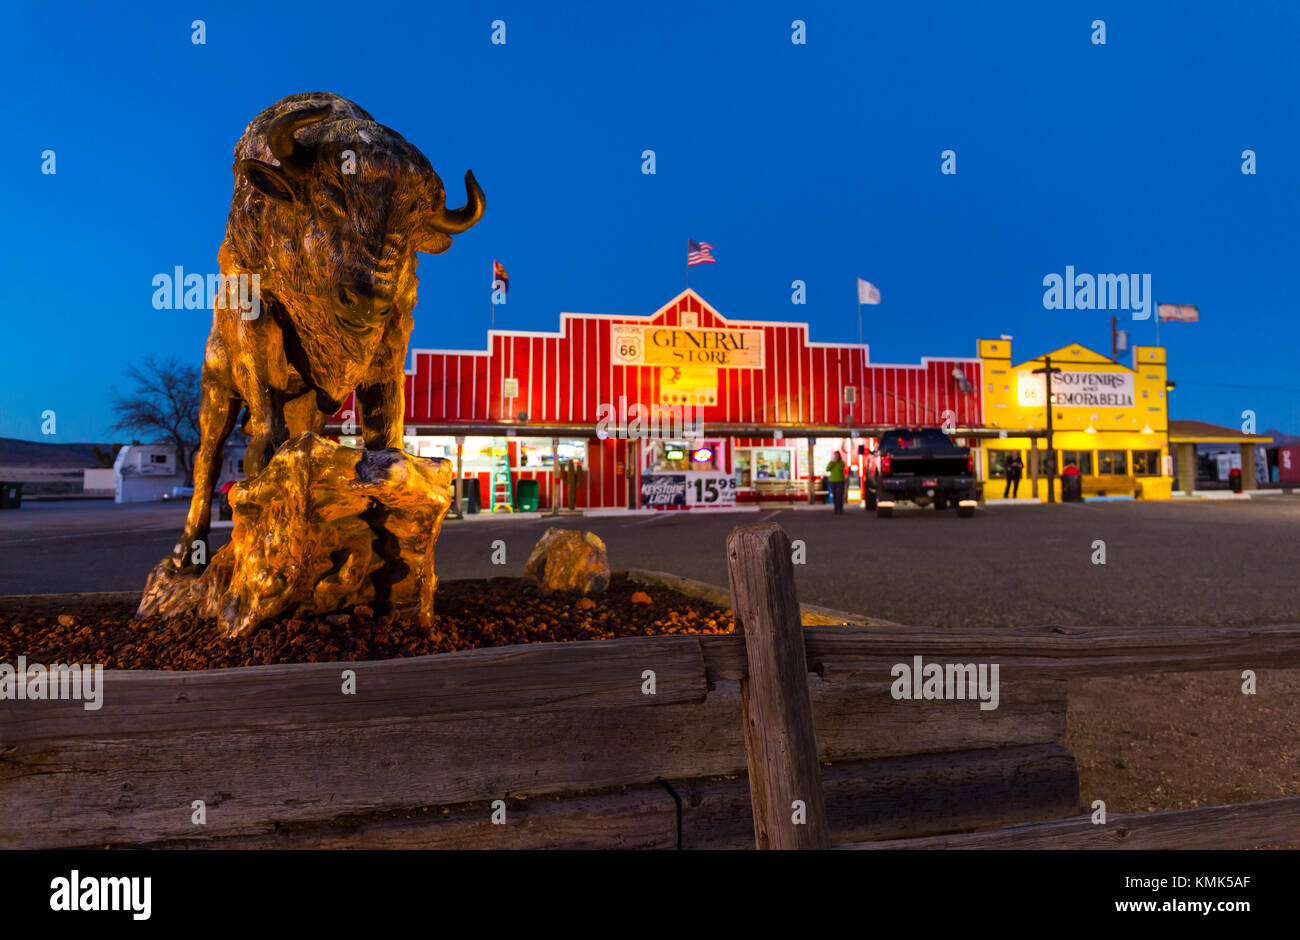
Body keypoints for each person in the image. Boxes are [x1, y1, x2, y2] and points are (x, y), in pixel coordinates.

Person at [826, 450, 847, 514]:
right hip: (832, 481)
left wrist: (837, 462)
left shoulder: (841, 463)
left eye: (837, 455)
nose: (836, 457)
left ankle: (840, 509)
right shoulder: (831, 463)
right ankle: (836, 508)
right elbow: (827, 469)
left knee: (839, 495)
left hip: (840, 481)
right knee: (834, 495)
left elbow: (841, 468)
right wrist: (832, 462)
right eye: (835, 455)